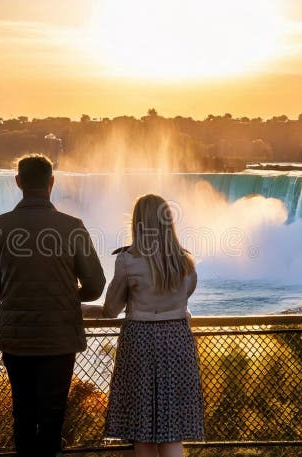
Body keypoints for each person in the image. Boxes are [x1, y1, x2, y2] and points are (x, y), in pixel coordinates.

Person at [0, 154, 106, 457]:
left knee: (23, 414)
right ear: (51, 182)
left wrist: (15, 291)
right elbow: (96, 285)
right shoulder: (73, 226)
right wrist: (65, 295)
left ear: (18, 182)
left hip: (16, 338)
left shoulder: (0, 226)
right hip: (59, 339)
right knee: (52, 417)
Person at [95, 194, 204, 457]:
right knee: (172, 426)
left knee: (142, 426)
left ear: (137, 223)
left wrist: (82, 308)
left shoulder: (127, 260)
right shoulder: (185, 262)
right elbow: (185, 298)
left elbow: (111, 310)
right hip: (177, 340)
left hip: (140, 341)